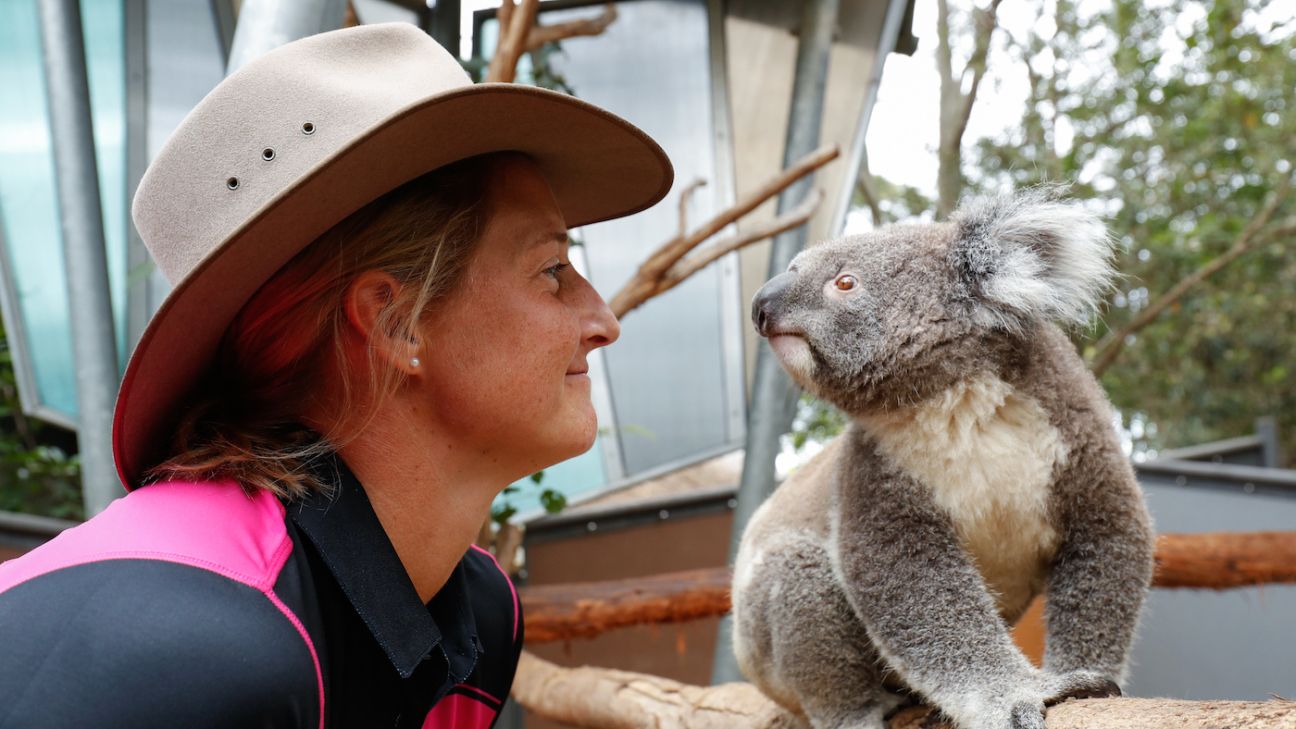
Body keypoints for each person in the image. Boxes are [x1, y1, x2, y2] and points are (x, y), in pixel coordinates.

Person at [0, 23, 671, 728]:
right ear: (395, 323)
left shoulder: (470, 615)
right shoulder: (200, 654)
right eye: (553, 271)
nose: (602, 319)